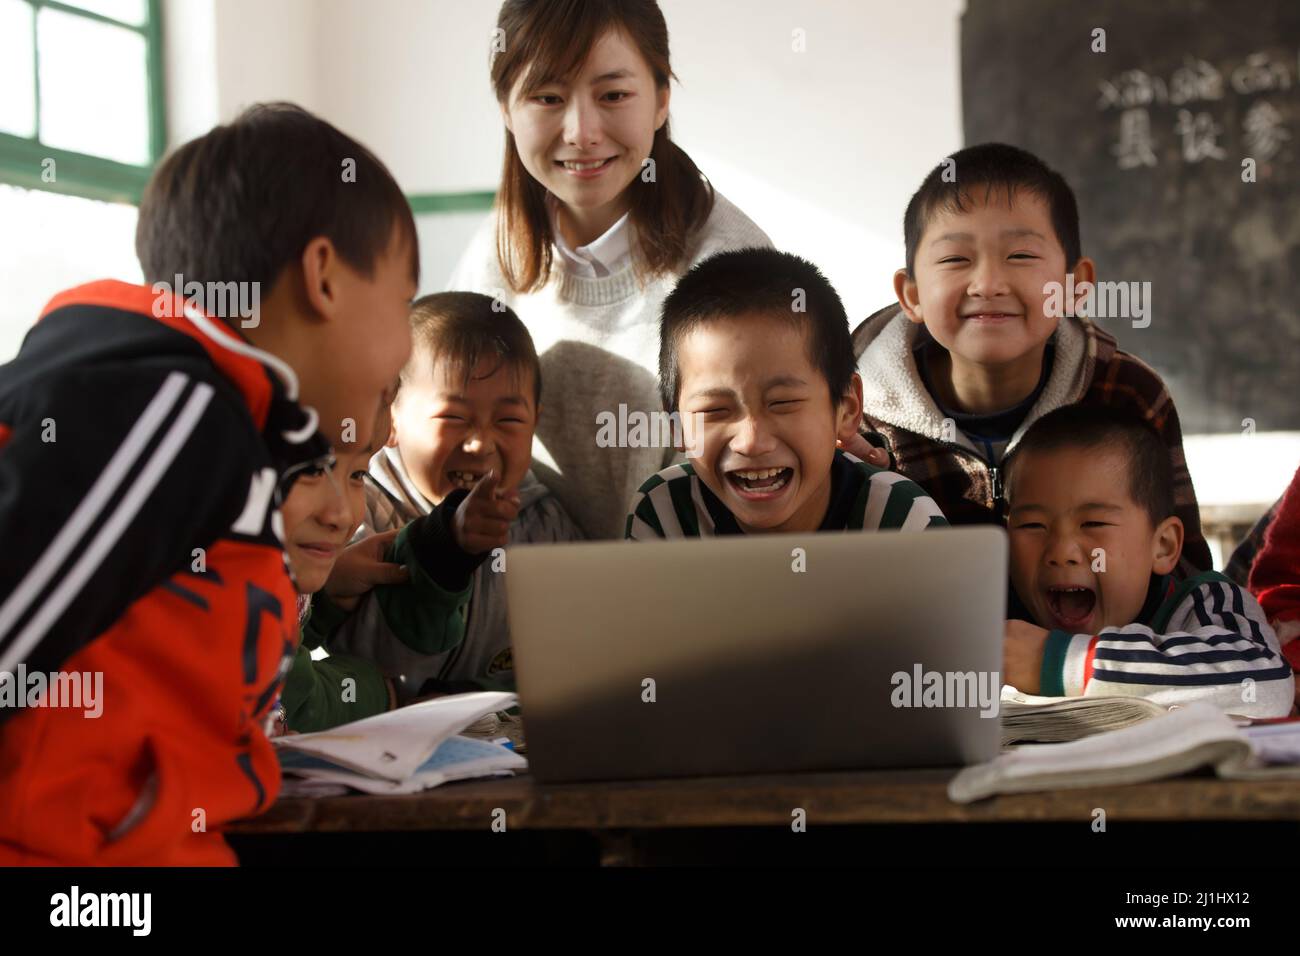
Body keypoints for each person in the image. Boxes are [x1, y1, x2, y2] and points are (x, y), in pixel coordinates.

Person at [450, 0, 772, 540]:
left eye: (614, 95)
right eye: (547, 97)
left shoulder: (729, 264)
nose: (582, 131)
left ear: (662, 99)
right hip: (526, 598)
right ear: (506, 108)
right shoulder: (492, 255)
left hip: (692, 593)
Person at [854, 142, 1211, 576]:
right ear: (912, 295)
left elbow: (1184, 576)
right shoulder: (855, 412)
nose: (987, 283)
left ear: (1075, 286)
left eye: (1020, 256)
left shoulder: (1127, 392)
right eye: (955, 259)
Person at [627, 249, 946, 538]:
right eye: (714, 410)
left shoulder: (900, 521)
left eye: (782, 403)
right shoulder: (663, 513)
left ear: (846, 409)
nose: (751, 441)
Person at [1003, 405, 1292, 716]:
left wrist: (1061, 663)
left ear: (1163, 546)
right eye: (1032, 525)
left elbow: (1266, 680)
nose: (1061, 552)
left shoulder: (1202, 603)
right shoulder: (996, 620)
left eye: (1093, 524)